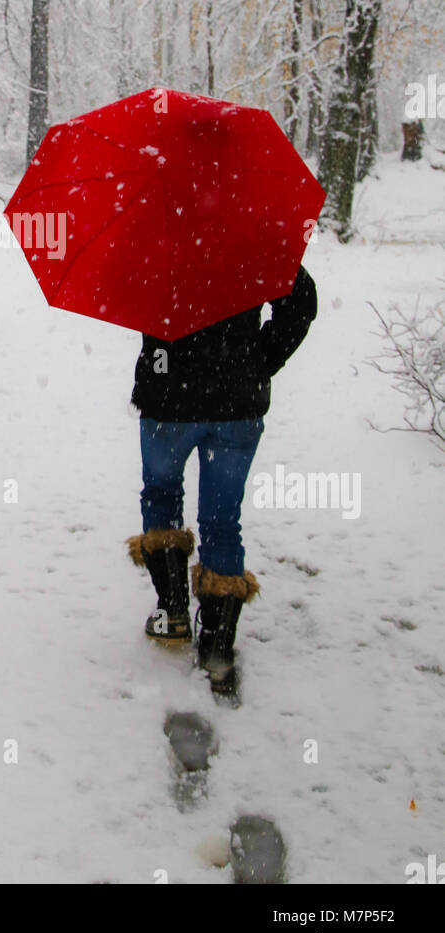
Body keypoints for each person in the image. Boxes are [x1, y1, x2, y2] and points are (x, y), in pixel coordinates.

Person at [126, 264, 318, 697]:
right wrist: (259, 359)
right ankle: (217, 646)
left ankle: (173, 611)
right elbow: (301, 303)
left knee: (160, 494)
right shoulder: (255, 238)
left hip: (168, 397)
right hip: (237, 403)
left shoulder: (153, 235)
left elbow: (126, 298)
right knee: (221, 520)